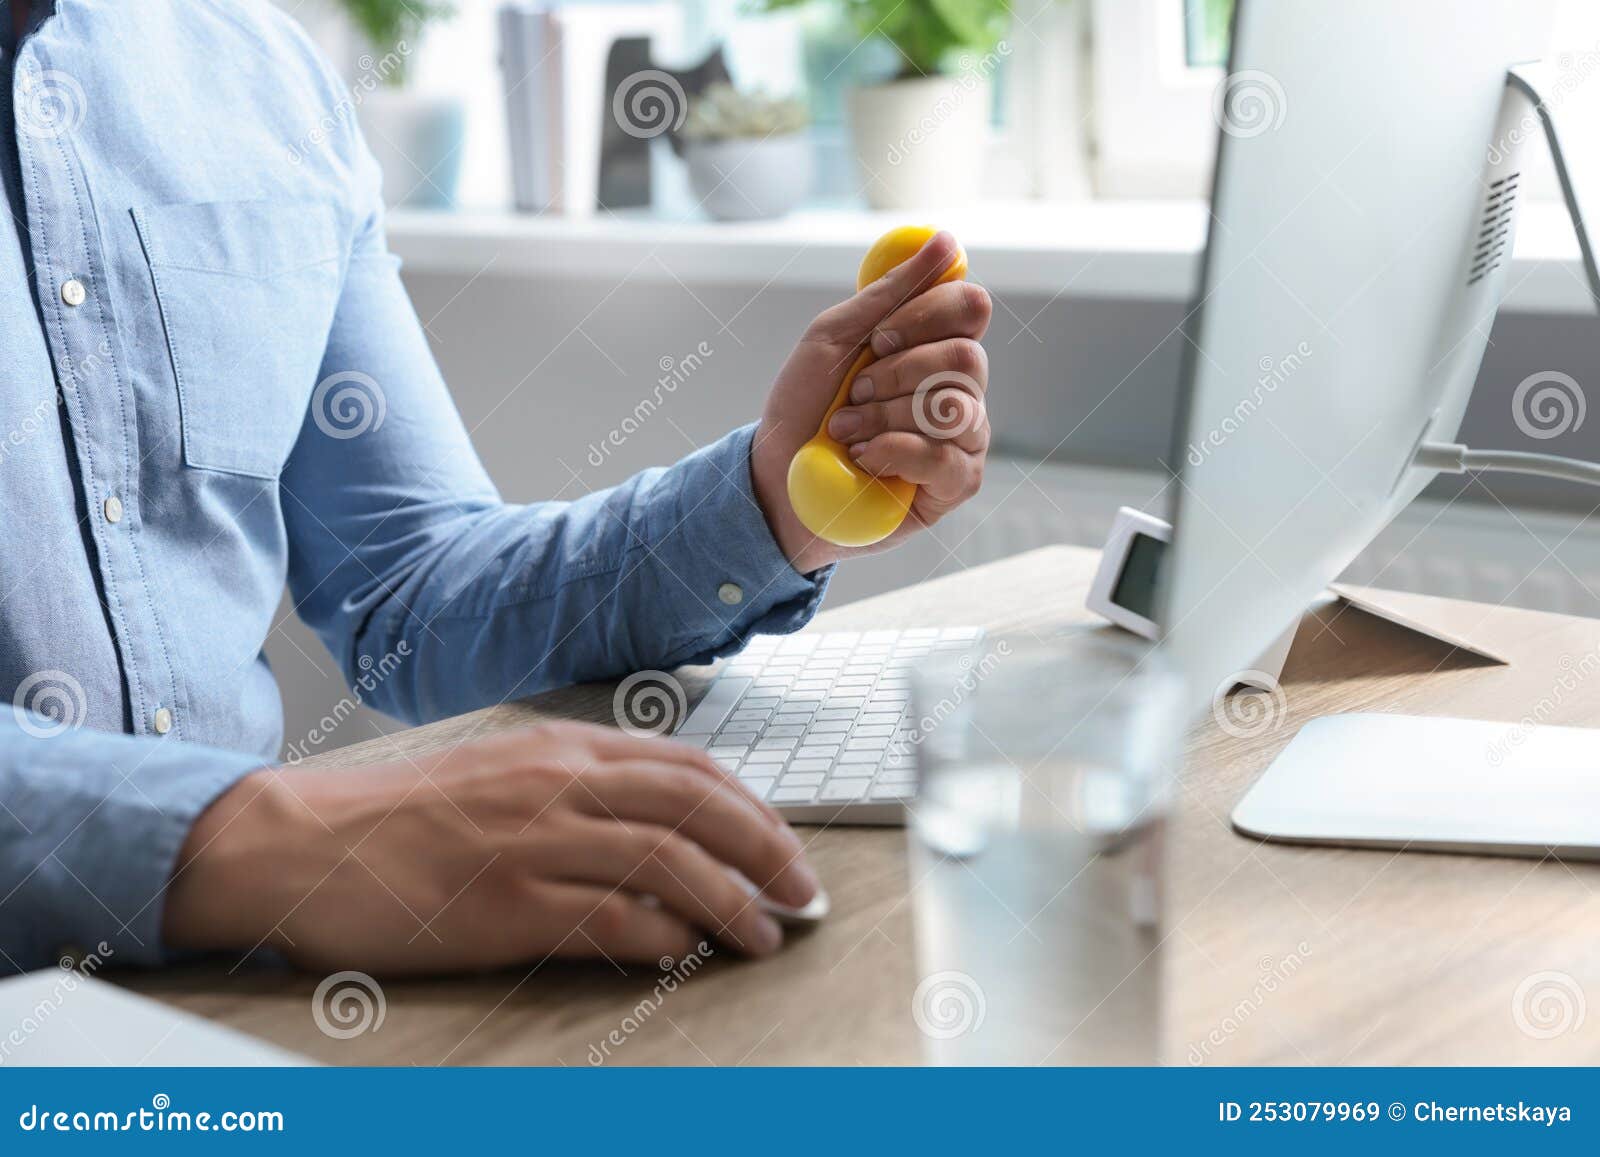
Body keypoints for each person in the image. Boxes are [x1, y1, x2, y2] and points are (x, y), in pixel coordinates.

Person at [0, 0, 991, 974]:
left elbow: (410, 587)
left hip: (232, 989)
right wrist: (261, 839)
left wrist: (766, 506)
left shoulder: (270, 82)